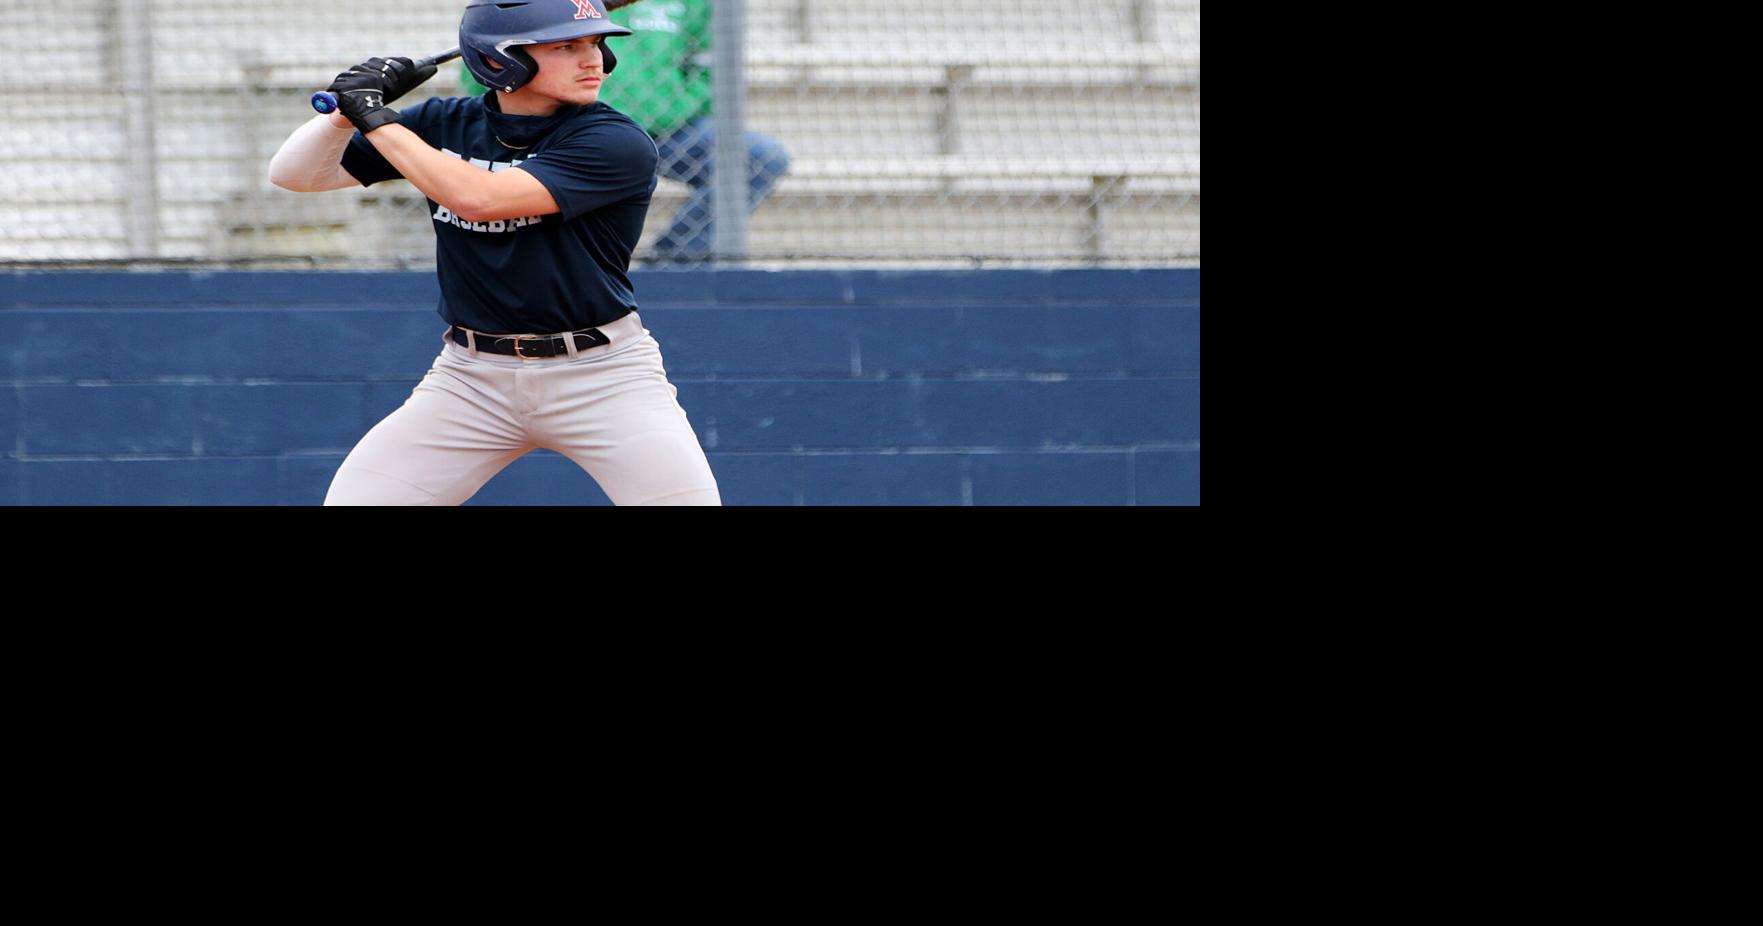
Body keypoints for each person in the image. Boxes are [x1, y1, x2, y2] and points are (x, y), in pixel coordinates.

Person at [267, 0, 721, 506]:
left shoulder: (614, 140)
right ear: (500, 61)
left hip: (604, 378)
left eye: (595, 44)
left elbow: (479, 200)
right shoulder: (444, 122)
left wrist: (375, 117)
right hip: (469, 381)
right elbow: (295, 175)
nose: (593, 60)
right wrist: (343, 117)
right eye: (566, 46)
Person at [460, 0, 791, 260]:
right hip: (558, 124)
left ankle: (673, 264)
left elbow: (712, 69)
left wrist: (671, 107)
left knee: (760, 157)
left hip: (664, 130)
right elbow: (488, 57)